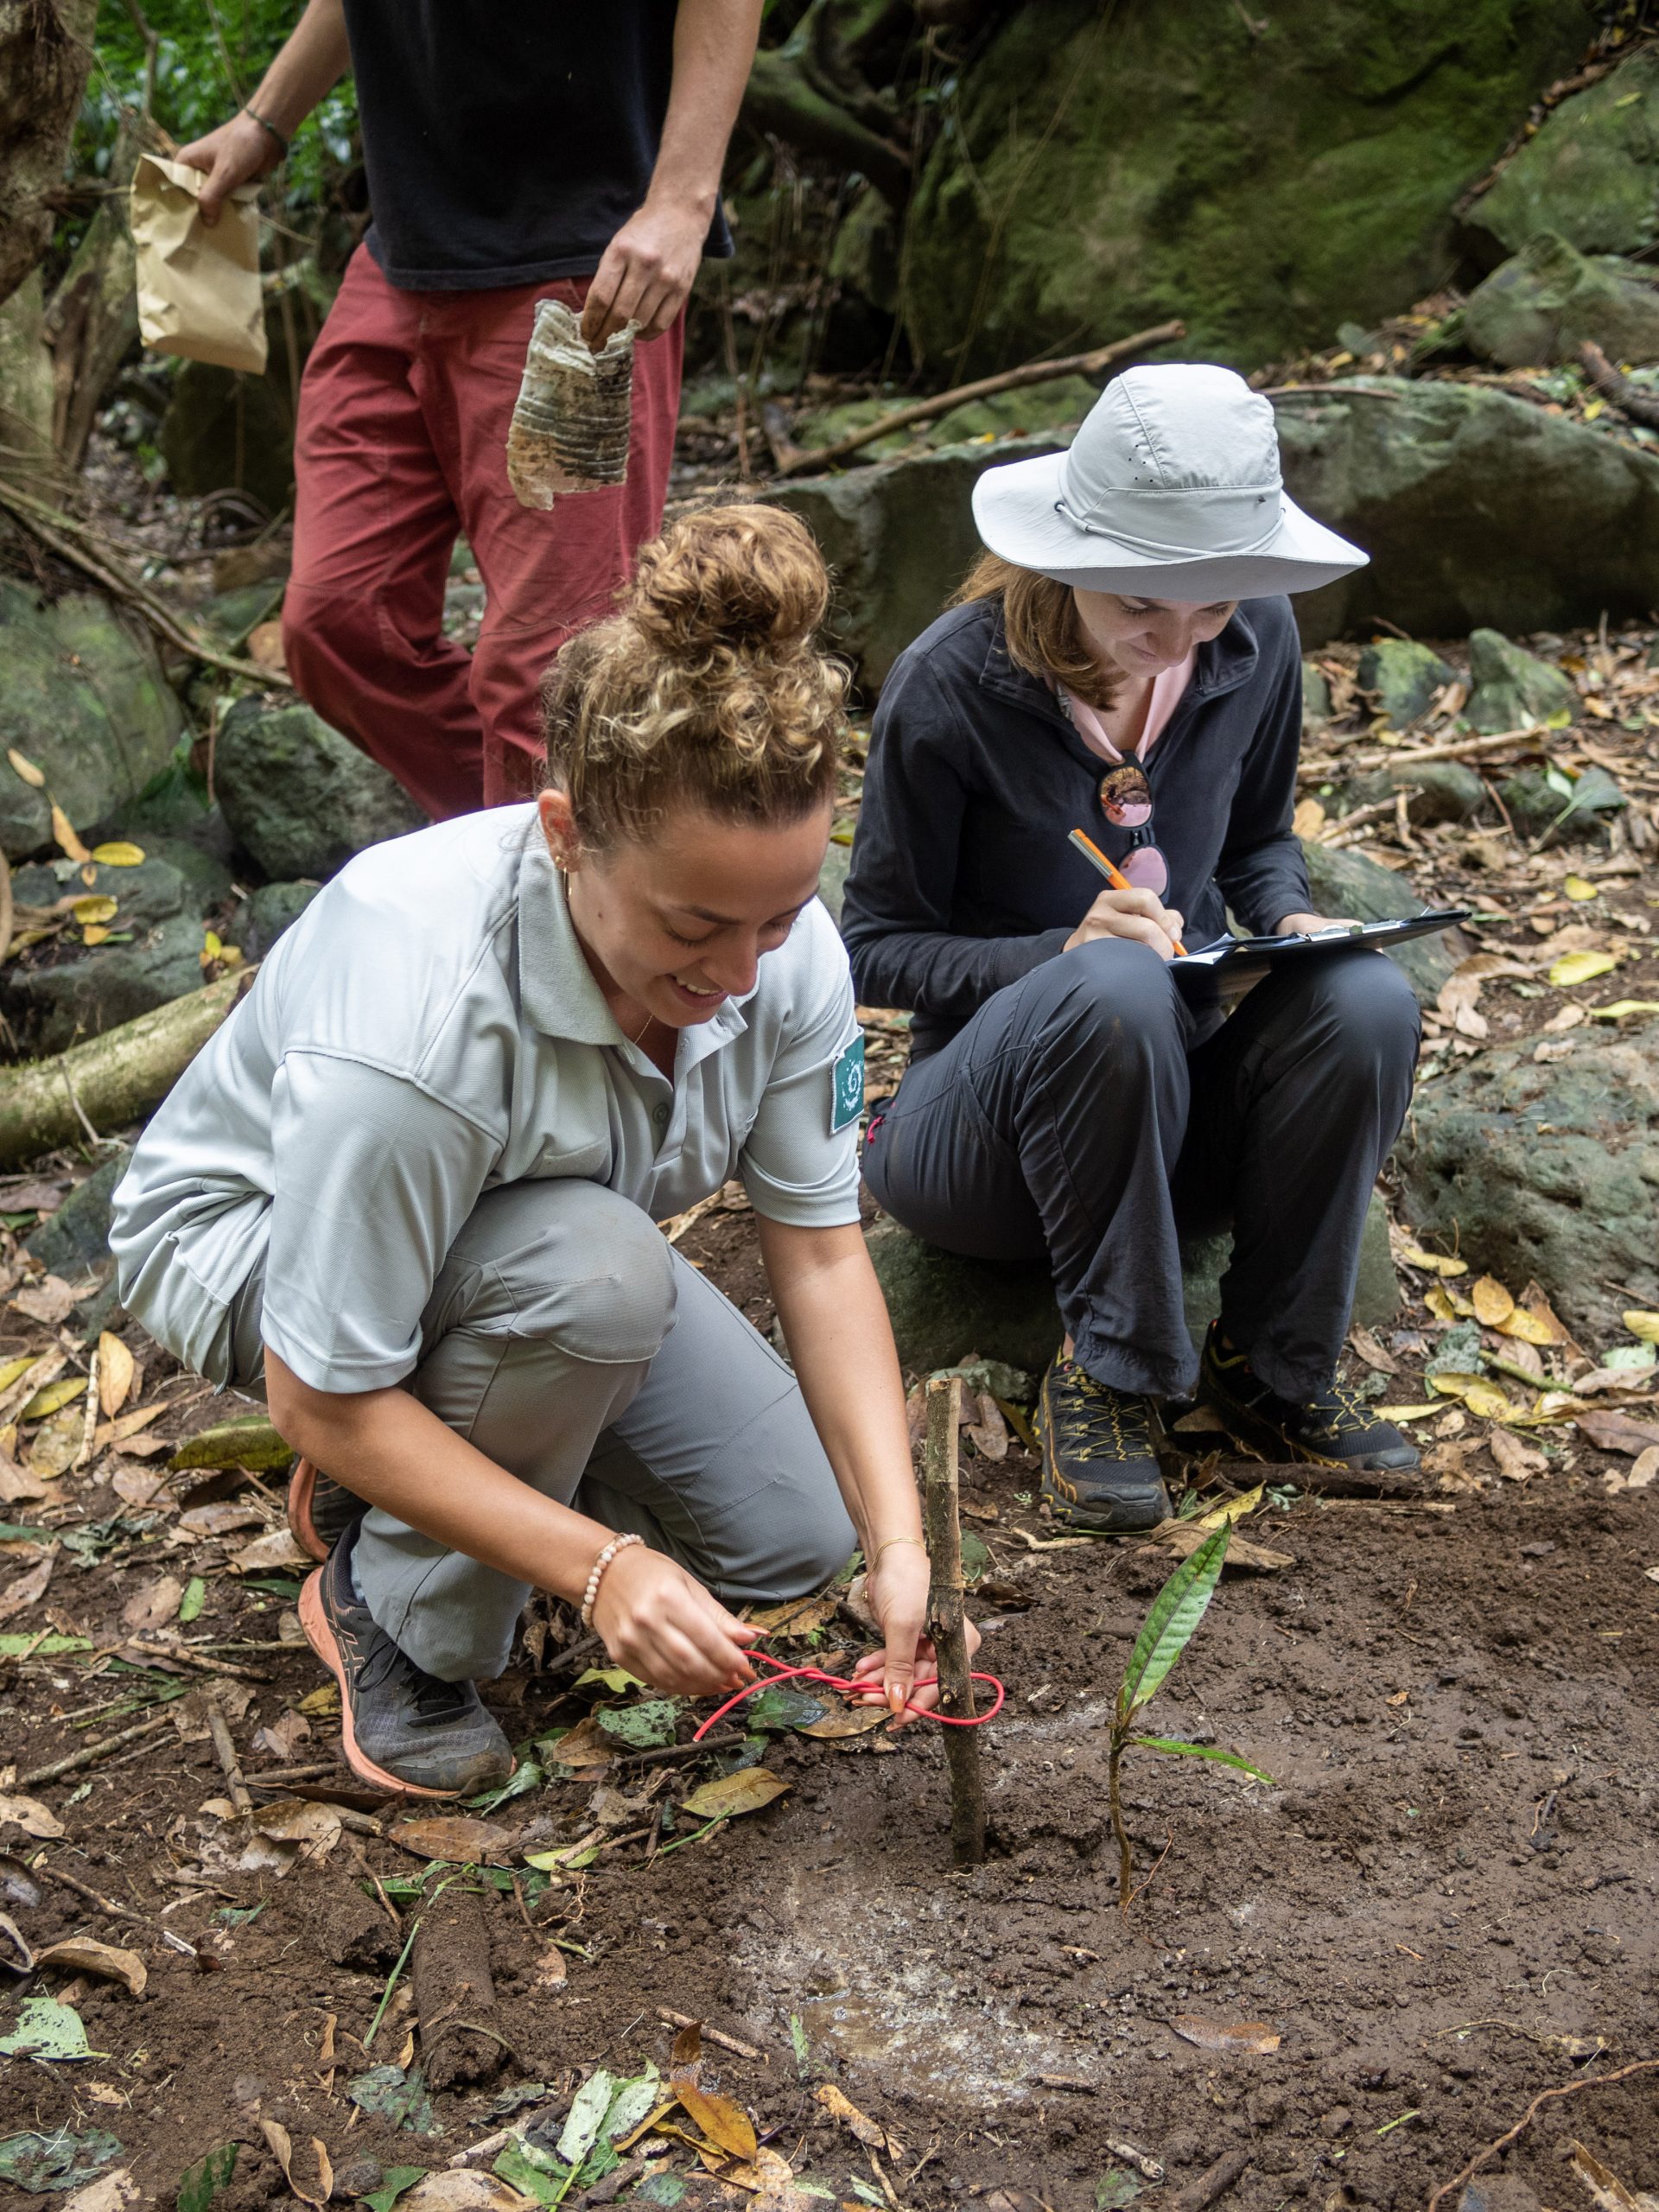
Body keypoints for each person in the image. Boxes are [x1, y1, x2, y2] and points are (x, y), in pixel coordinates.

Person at [110, 506, 961, 1799]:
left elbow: (826, 1254)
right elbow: (316, 1396)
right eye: (694, 925)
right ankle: (394, 1616)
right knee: (595, 1277)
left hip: (525, 1241)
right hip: (262, 1245)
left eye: (779, 917)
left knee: (794, 1536)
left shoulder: (782, 961)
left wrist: (902, 1542)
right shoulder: (418, 1020)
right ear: (565, 835)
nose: (739, 976)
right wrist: (599, 1568)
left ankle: (415, 1477)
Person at [841, 364, 1423, 1535]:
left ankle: (1274, 1371)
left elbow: (1257, 844)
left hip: (1172, 1110)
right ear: (1069, 561)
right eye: (1143, 608)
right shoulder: (948, 689)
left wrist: (1292, 921)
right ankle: (1111, 1371)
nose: (1177, 643)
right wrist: (1056, 951)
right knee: (1108, 984)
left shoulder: (1251, 641)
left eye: (1210, 608)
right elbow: (873, 949)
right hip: (982, 1138)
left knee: (1365, 996)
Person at [178, 0, 763, 818]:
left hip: (580, 271)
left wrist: (683, 201)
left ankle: (564, 917)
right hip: (405, 248)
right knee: (339, 624)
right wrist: (264, 122)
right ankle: (559, 852)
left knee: (547, 682)